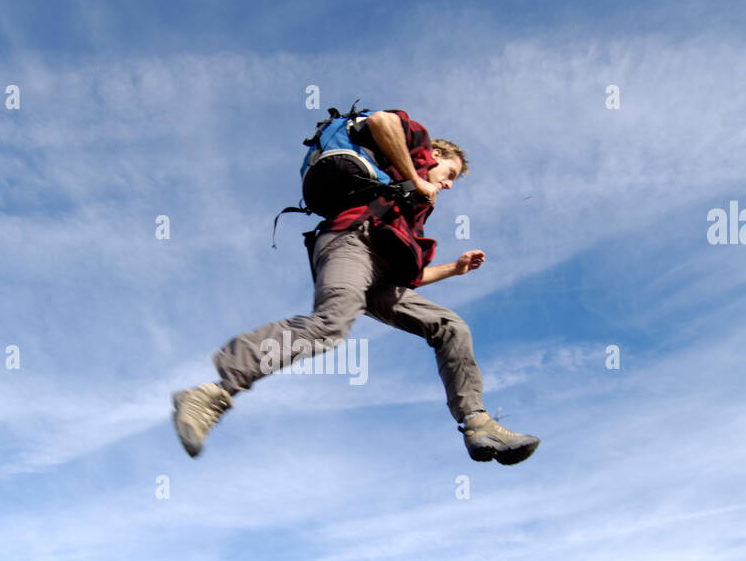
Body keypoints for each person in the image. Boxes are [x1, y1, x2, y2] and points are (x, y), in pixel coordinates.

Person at [172, 107, 539, 465]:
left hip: (381, 278)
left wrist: (454, 269)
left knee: (450, 326)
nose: (447, 184)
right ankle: (211, 394)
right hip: (350, 239)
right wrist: (417, 176)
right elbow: (381, 121)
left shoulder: (412, 208)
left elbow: (409, 279)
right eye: (450, 174)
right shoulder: (418, 145)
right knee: (330, 326)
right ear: (437, 155)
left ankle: (478, 422)